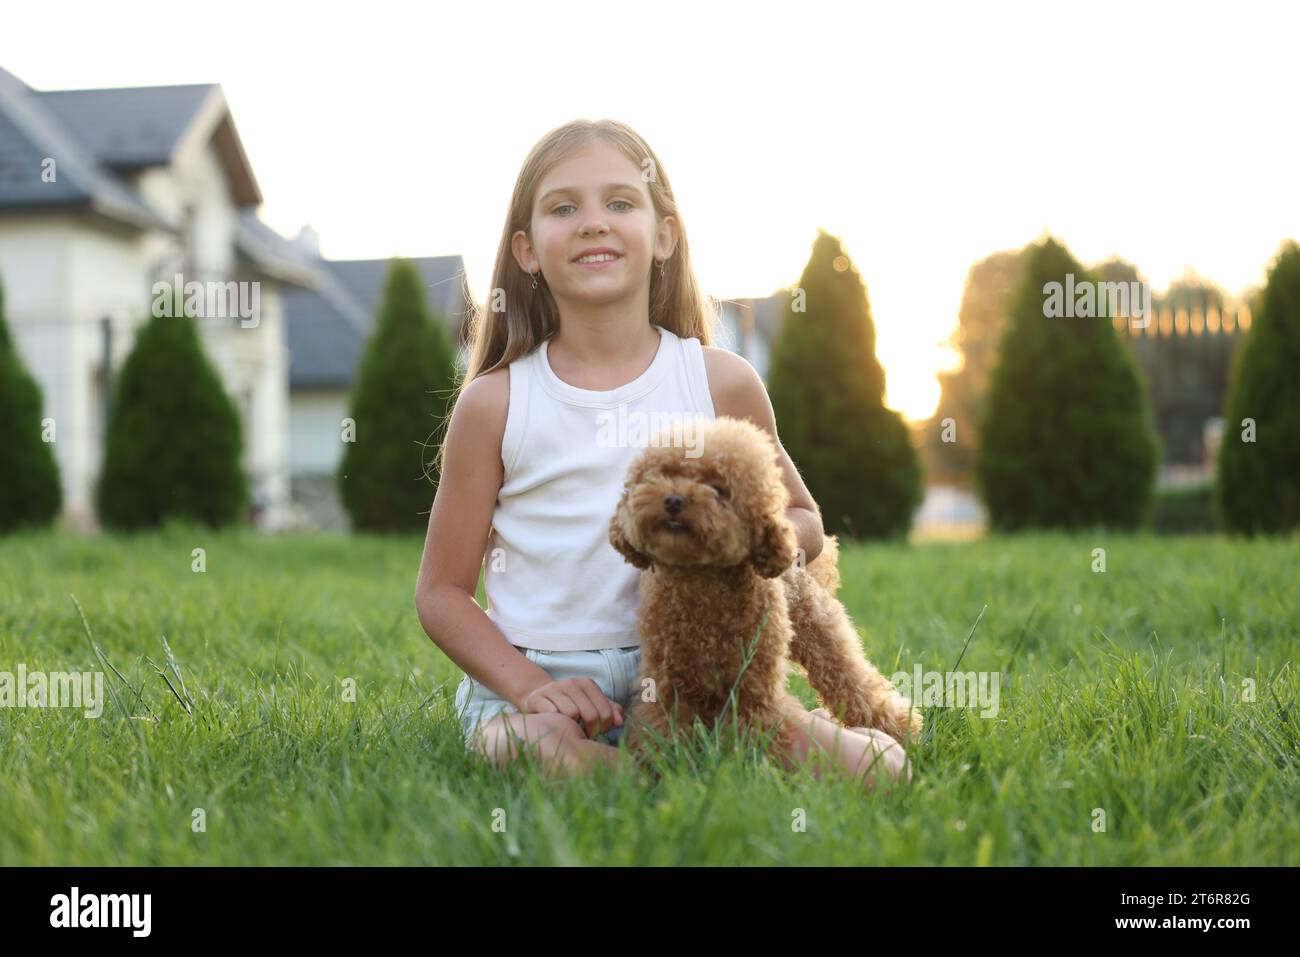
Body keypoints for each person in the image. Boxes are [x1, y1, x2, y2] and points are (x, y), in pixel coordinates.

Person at [414, 119, 909, 789]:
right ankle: (650, 783)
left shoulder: (719, 379)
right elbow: (442, 593)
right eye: (565, 207)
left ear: (665, 236)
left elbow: (804, 519)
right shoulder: (496, 403)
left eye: (620, 202)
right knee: (514, 744)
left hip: (702, 674)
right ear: (527, 251)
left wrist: (748, 543)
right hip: (547, 683)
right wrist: (531, 686)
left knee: (880, 769)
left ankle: (687, 764)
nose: (594, 222)